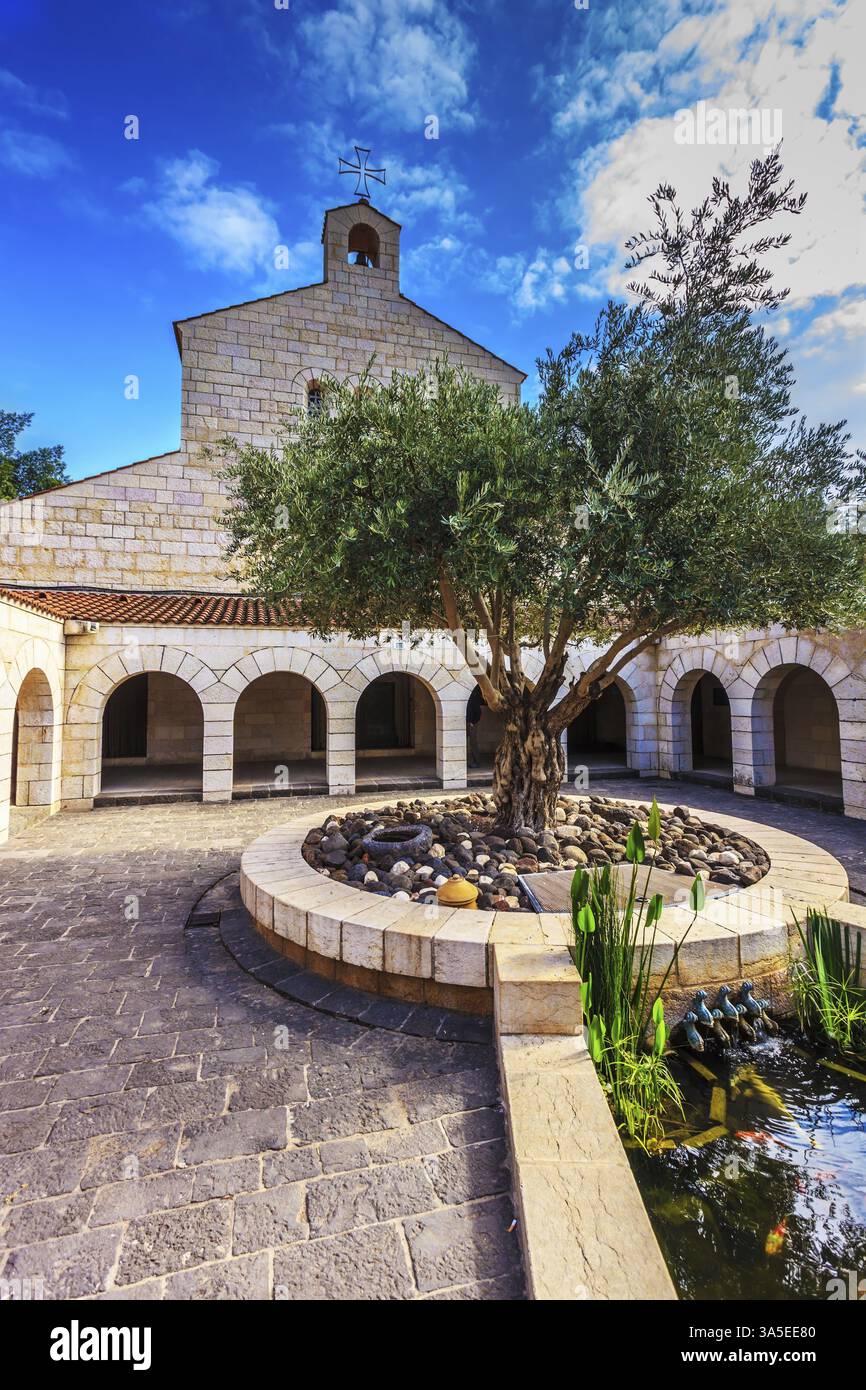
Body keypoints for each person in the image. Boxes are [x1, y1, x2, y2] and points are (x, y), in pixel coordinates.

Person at [466, 684, 484, 768]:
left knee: (473, 743)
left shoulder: (473, 697)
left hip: (471, 723)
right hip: (464, 722)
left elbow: (478, 712)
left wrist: (472, 722)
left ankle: (476, 762)